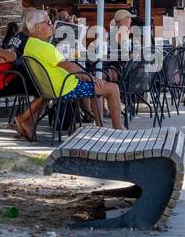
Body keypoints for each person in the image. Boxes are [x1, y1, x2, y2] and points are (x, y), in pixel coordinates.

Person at [12, 8, 124, 141]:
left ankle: (99, 128)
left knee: (96, 86)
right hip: (66, 88)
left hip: (50, 88)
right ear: (37, 27)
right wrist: (92, 78)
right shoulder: (46, 48)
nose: (51, 25)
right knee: (112, 88)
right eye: (48, 22)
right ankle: (119, 131)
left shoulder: (30, 45)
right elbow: (70, 67)